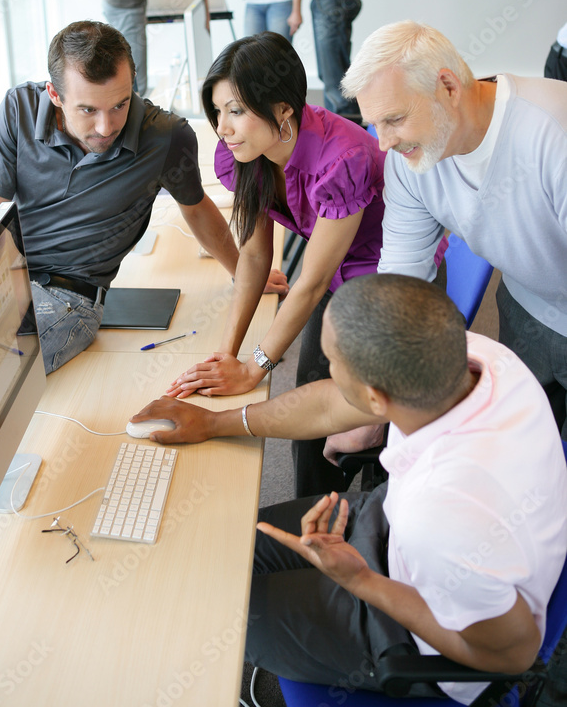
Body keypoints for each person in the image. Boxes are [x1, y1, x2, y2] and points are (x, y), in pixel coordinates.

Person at [132, 274, 567, 701]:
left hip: (421, 629)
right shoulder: (480, 356)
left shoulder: (443, 513)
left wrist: (363, 582)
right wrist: (213, 423)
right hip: (406, 531)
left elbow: (511, 654)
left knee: (209, 604)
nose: (326, 374)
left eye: (332, 363)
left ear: (377, 400)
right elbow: (327, 404)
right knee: (219, 552)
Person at [0, 21, 286, 487]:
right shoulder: (18, 110)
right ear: (54, 95)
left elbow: (198, 210)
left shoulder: (165, 136)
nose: (107, 126)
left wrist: (243, 272)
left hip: (69, 300)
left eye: (121, 104)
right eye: (88, 109)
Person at [165, 31, 385, 496]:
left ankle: (369, 513)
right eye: (219, 110)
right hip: (333, 276)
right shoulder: (246, 151)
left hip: (384, 281)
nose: (221, 127)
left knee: (344, 402)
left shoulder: (342, 159)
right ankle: (311, 513)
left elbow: (311, 281)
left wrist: (257, 366)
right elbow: (254, 254)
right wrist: (229, 353)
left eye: (237, 111)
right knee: (310, 386)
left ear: (283, 110)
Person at [340, 19, 567, 436]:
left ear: (447, 86)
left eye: (394, 119)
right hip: (527, 304)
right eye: (376, 124)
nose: (383, 143)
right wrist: (385, 407)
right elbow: (402, 282)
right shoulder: (410, 159)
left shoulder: (553, 133)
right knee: (527, 447)